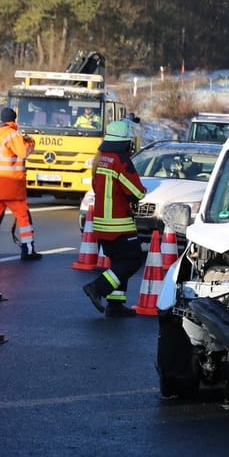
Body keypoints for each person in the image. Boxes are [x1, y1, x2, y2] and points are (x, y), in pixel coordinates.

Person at [83, 119, 146, 317]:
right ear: (126, 140)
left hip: (102, 223)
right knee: (132, 260)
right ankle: (97, 288)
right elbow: (136, 191)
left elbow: (97, 187)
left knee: (118, 263)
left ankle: (115, 305)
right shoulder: (121, 160)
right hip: (119, 223)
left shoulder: (101, 158)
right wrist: (141, 192)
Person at [0, 106, 41, 260]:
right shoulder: (11, 134)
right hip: (10, 185)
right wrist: (30, 142)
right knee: (23, 217)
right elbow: (23, 152)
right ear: (14, 120)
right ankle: (28, 250)